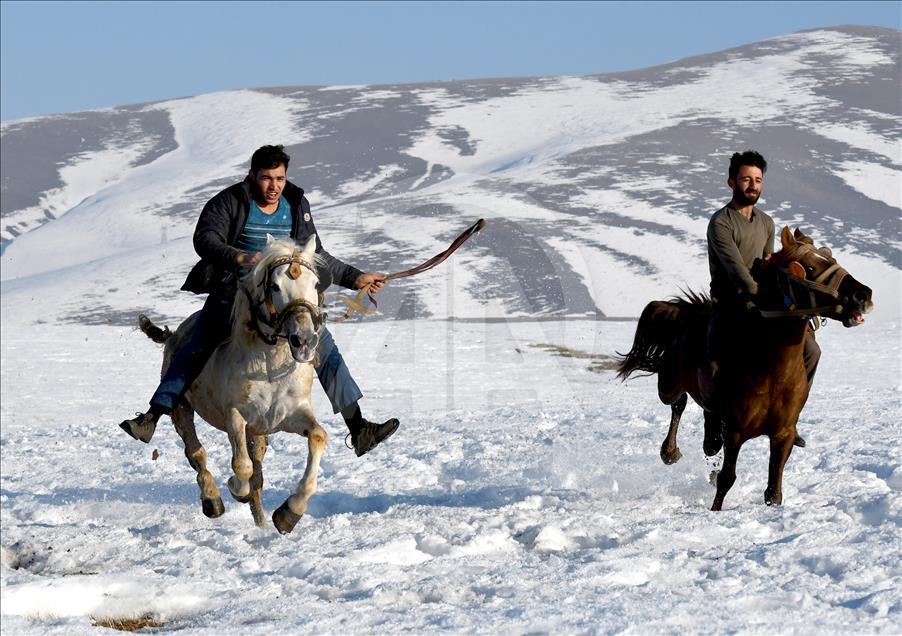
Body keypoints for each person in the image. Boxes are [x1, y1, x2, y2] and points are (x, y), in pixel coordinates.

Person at [119, 145, 399, 457]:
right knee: (196, 344)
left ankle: (359, 428)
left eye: (279, 178)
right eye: (266, 178)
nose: (274, 186)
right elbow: (205, 239)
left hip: (282, 298)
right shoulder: (231, 201)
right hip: (234, 291)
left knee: (323, 345)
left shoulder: (295, 203)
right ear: (252, 175)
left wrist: (355, 277)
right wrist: (237, 256)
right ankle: (152, 416)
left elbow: (314, 253)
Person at [706, 150, 819, 447]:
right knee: (717, 361)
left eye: (757, 180)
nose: (753, 185)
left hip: (763, 304)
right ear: (732, 183)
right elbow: (737, 271)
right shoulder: (721, 223)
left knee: (811, 352)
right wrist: (758, 297)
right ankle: (719, 417)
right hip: (730, 303)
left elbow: (767, 266)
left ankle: (788, 418)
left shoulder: (767, 223)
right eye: (746, 179)